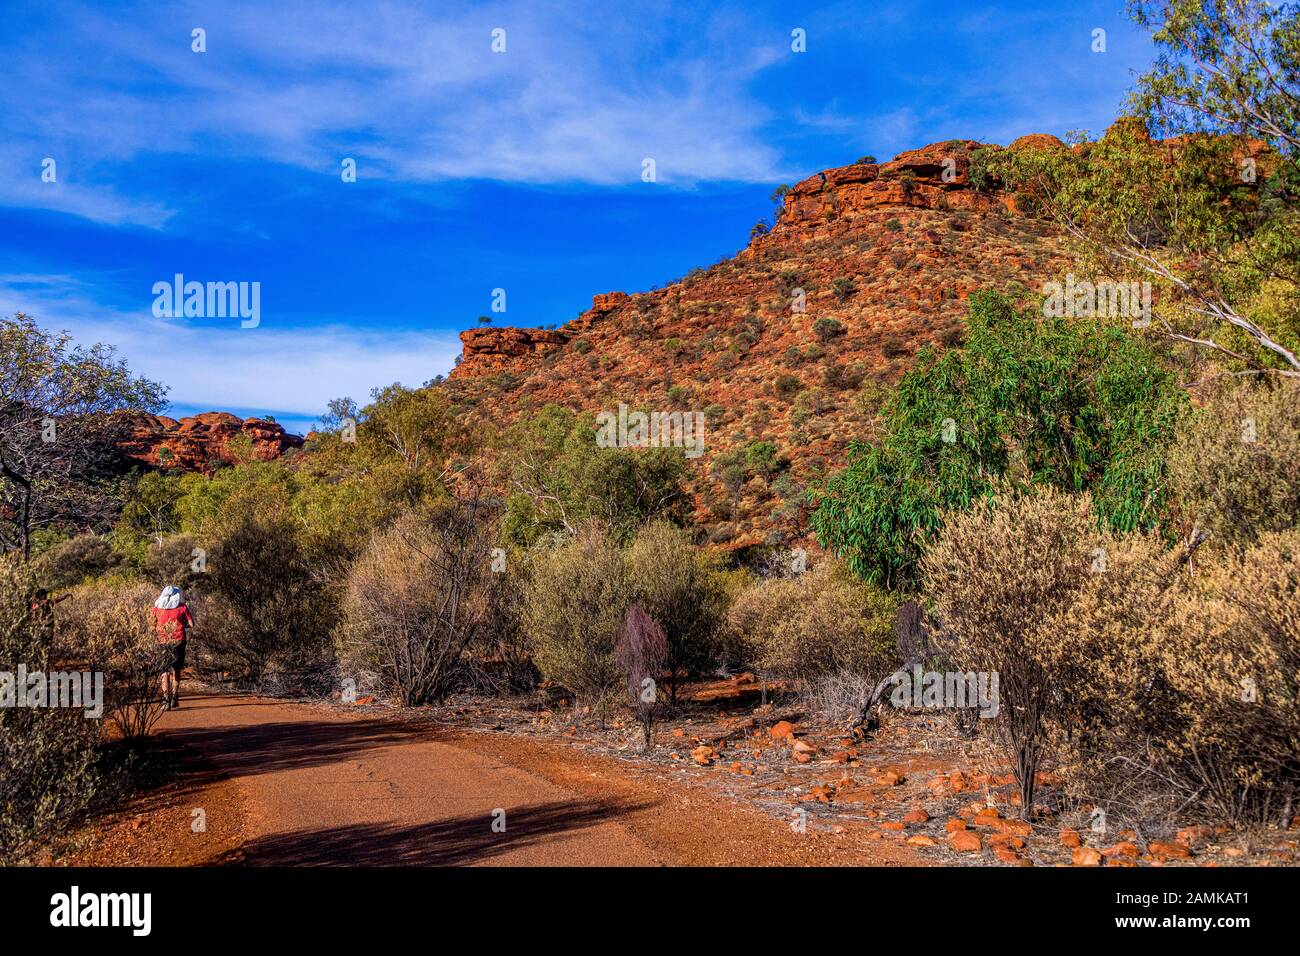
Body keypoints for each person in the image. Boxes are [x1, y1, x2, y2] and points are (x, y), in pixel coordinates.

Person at [151, 586, 194, 710]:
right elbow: (191, 624)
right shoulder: (182, 607)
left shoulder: (156, 609)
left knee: (164, 671)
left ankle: (166, 700)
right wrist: (181, 624)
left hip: (162, 642)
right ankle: (174, 698)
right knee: (177, 669)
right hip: (179, 641)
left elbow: (151, 624)